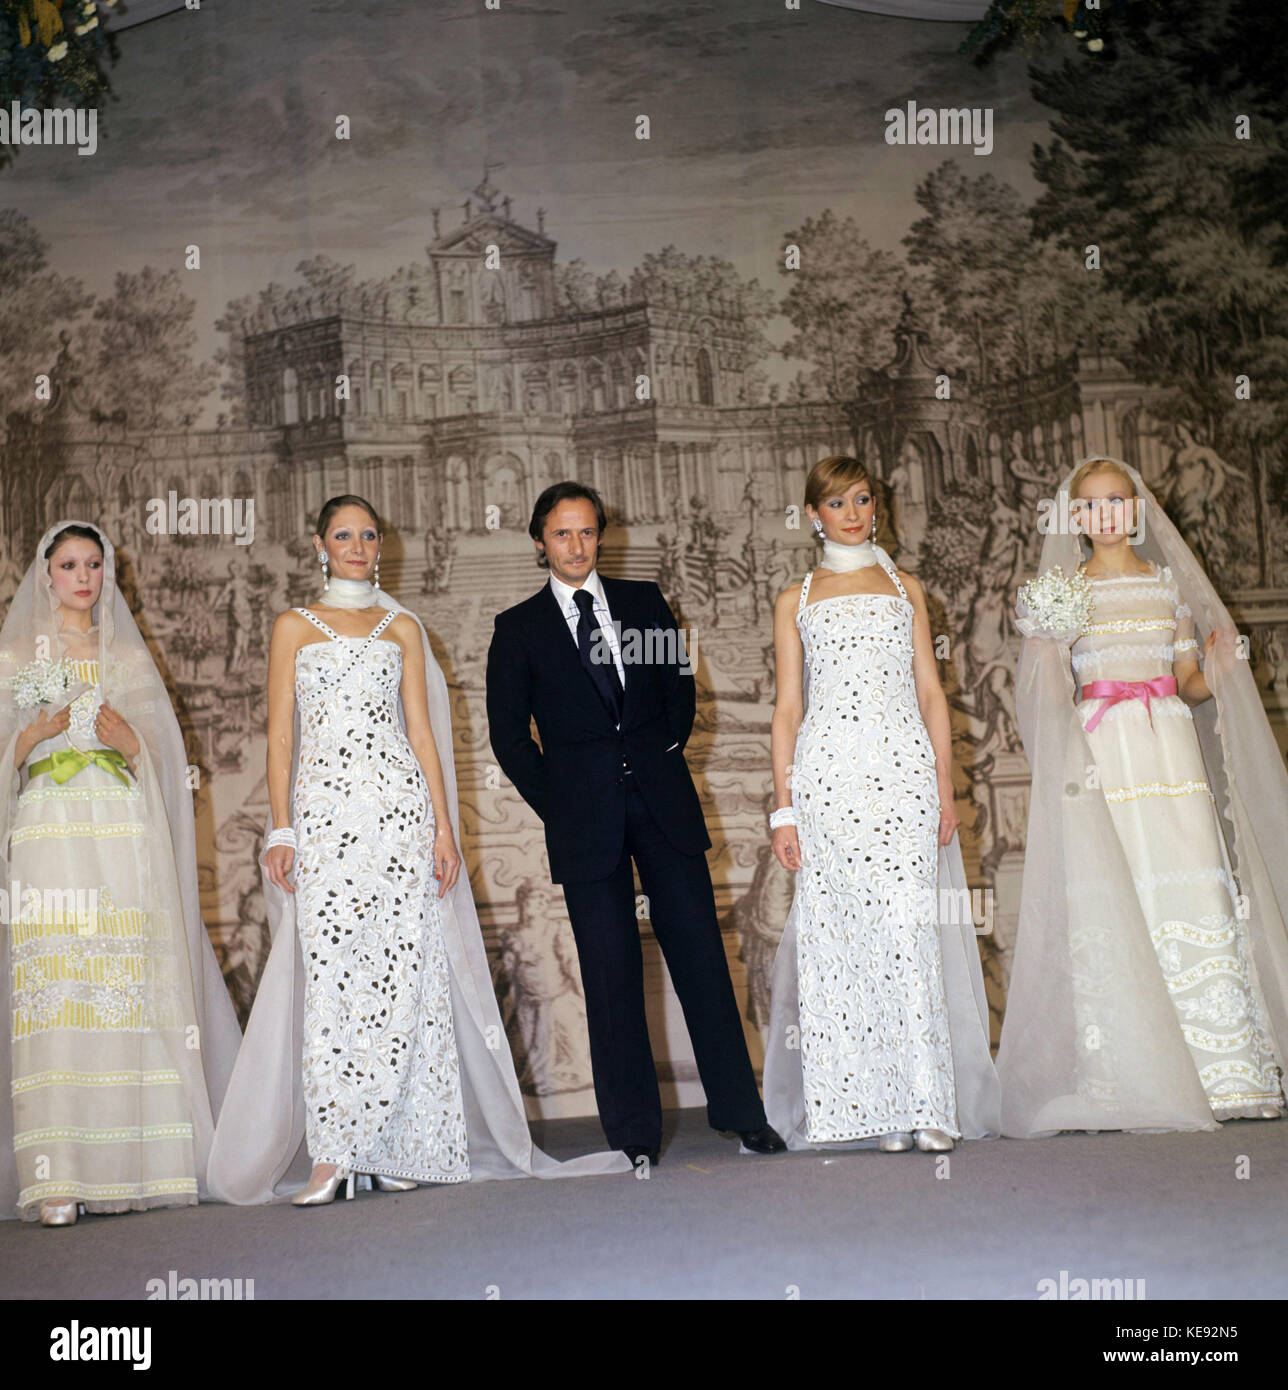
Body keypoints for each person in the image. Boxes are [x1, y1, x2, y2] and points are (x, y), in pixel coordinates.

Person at [207, 496, 628, 1204]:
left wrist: (442, 829)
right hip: (326, 820)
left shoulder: (402, 627)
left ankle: (400, 1141)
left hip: (400, 817)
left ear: (380, 545)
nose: (358, 545)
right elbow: (281, 737)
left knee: (407, 977)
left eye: (369, 535)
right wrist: (281, 829)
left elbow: (424, 737)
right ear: (320, 544)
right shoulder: (292, 627)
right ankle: (334, 1152)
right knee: (335, 980)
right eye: (344, 535)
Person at [485, 482, 785, 1167]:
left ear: (600, 536)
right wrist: (562, 803)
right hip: (584, 821)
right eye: (562, 534)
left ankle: (742, 1114)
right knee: (611, 972)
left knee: (704, 962)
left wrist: (658, 757)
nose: (576, 545)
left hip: (664, 806)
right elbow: (510, 740)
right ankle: (635, 1135)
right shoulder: (519, 629)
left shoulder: (644, 603)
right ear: (540, 542)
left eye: (587, 532)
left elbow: (679, 694)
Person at [998, 455, 1288, 1134]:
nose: (1105, 515)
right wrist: (1045, 659)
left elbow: (1185, 679)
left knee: (1191, 885)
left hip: (1170, 751)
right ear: (1075, 517)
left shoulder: (1167, 589)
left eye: (1116, 502)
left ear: (1136, 509)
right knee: (1120, 890)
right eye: (1090, 504)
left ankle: (1221, 1069)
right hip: (1105, 757)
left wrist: (1217, 669)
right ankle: (1129, 1073)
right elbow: (1046, 696)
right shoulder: (1062, 592)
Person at [0, 520, 241, 1224]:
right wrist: (34, 735)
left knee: (124, 979)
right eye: (70, 564)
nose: (83, 576)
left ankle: (140, 1163)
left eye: (94, 564)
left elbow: (160, 758)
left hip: (118, 827)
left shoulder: (125, 659)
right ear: (45, 574)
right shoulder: (16, 655)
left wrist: (129, 740)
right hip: (49, 830)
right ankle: (57, 1178)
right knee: (57, 982)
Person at [762, 457, 999, 1154]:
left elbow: (931, 693)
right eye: (838, 503)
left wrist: (945, 784)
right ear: (814, 515)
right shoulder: (795, 598)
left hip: (902, 775)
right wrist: (784, 809)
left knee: (908, 935)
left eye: (863, 499)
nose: (855, 513)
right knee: (843, 941)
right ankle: (867, 1107)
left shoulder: (907, 587)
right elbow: (786, 710)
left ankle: (927, 1103)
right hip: (828, 778)